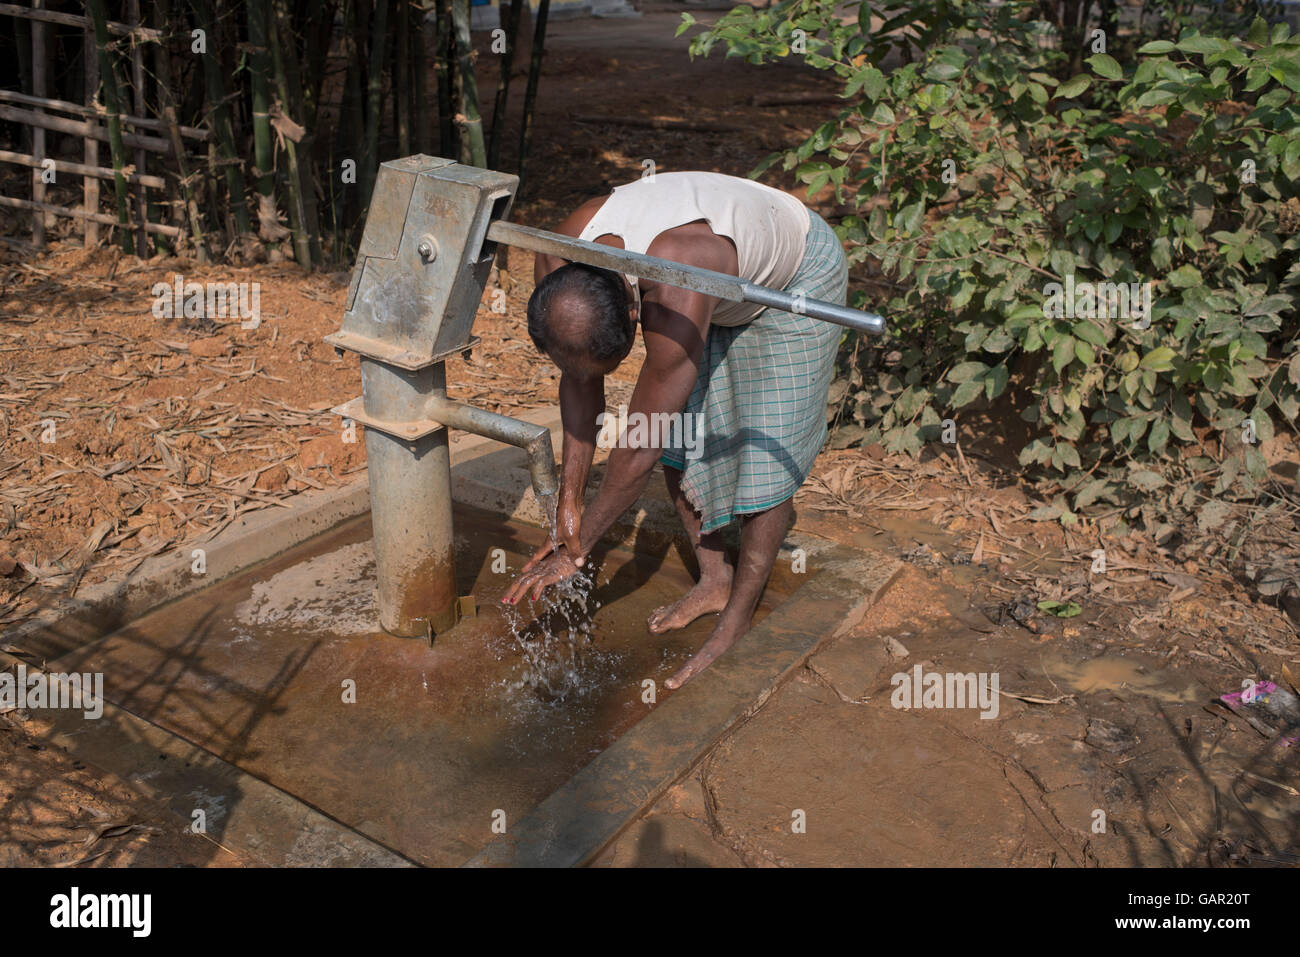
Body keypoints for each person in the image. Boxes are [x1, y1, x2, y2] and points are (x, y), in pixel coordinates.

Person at [501, 171, 848, 689]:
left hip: (792, 280)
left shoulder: (676, 281)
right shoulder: (560, 257)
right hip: (711, 277)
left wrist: (578, 548)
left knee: (762, 461)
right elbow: (579, 379)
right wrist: (570, 500)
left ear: (636, 313)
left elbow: (639, 446)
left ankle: (736, 620)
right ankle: (714, 581)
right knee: (684, 439)